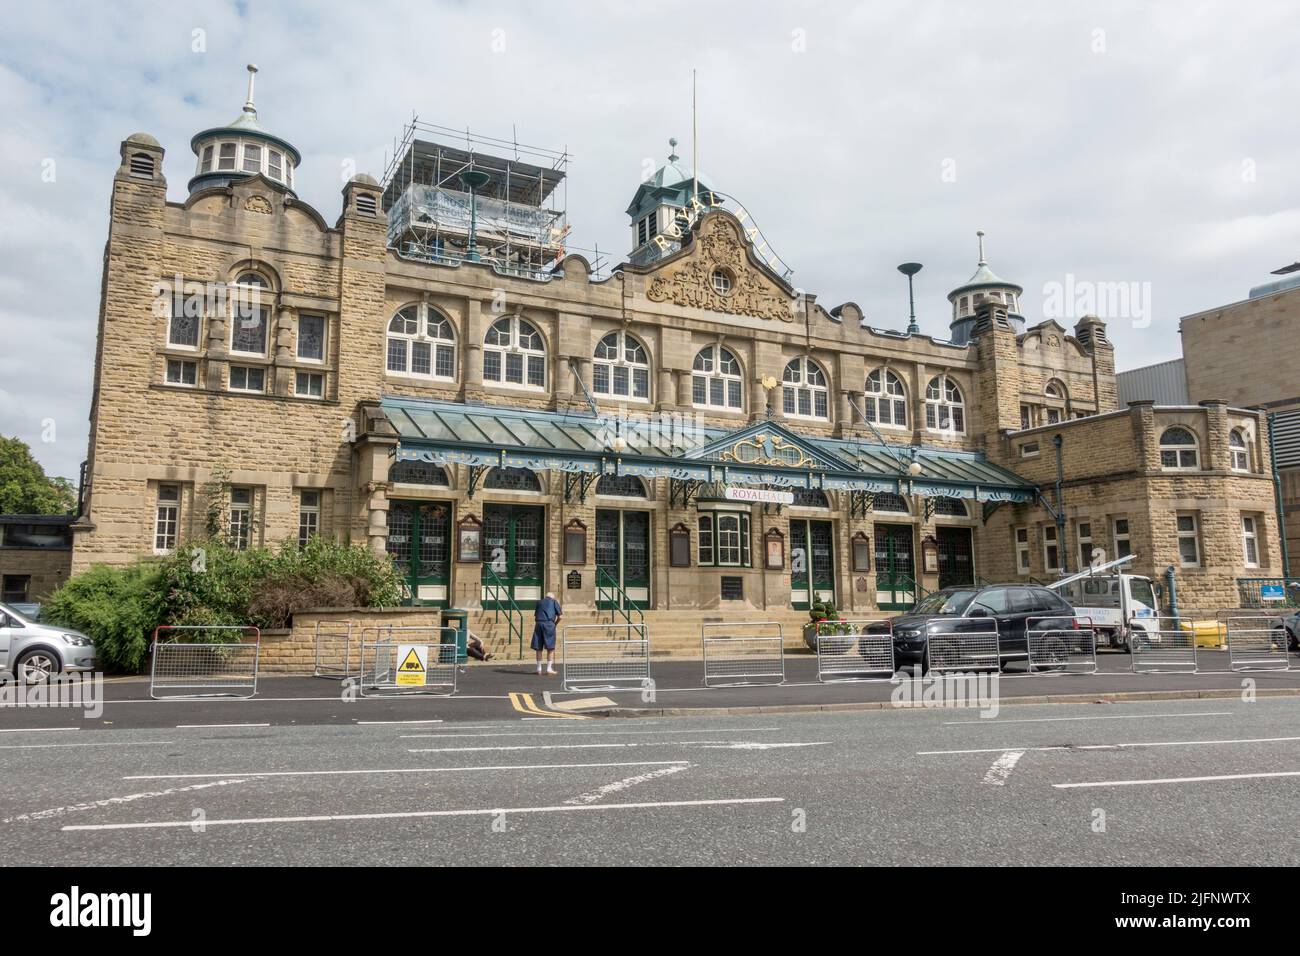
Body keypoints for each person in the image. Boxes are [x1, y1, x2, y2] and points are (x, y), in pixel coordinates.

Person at [531, 591, 562, 676]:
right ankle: (549, 669)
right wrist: (555, 624)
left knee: (538, 647)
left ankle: (539, 669)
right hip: (549, 624)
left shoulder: (539, 602)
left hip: (539, 624)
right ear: (552, 597)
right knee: (550, 647)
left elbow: (535, 616)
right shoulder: (554, 602)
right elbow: (560, 617)